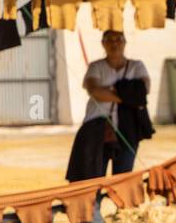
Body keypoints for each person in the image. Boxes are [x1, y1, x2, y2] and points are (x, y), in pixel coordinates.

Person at [65, 30, 153, 182]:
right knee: (94, 175)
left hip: (128, 127)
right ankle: (95, 205)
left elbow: (144, 90)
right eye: (110, 40)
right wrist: (129, 95)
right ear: (103, 43)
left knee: (122, 178)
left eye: (118, 39)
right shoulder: (96, 67)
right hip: (99, 127)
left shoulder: (136, 66)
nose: (114, 43)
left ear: (124, 42)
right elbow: (95, 91)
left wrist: (110, 91)